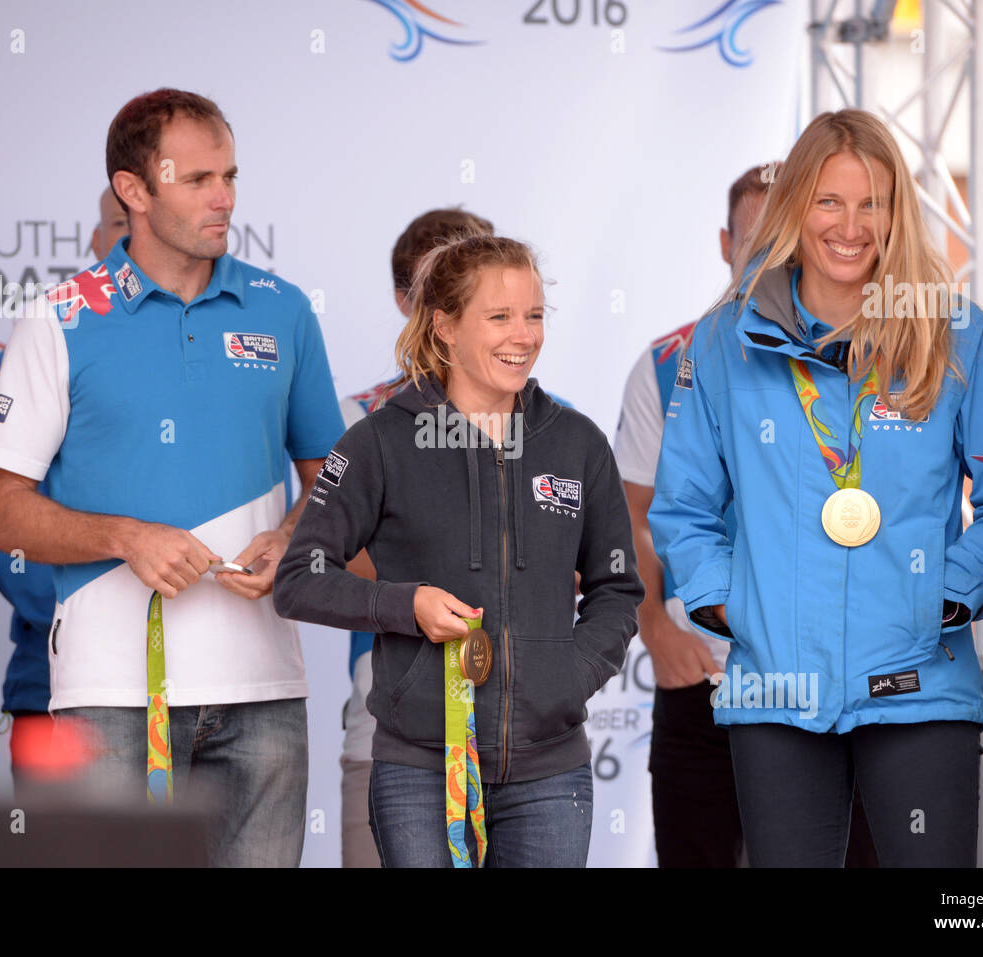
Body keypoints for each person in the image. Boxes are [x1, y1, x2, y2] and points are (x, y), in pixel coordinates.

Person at [649, 108, 983, 867]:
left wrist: (946, 593)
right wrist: (730, 604)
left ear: (898, 211)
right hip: (777, 693)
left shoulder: (954, 331)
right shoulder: (724, 339)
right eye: (829, 201)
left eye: (873, 202)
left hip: (918, 687)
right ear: (797, 206)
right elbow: (683, 508)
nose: (850, 225)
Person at [0, 88, 344, 866]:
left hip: (264, 689)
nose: (225, 198)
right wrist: (123, 536)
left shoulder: (283, 312)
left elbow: (333, 486)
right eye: (198, 178)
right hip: (107, 697)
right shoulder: (58, 317)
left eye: (231, 176)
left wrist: (292, 535)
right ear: (133, 190)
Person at [275, 234, 644, 868]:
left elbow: (617, 589)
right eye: (498, 317)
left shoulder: (576, 442)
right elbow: (299, 578)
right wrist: (403, 603)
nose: (522, 335)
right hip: (419, 767)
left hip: (549, 774)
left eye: (533, 315)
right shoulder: (379, 441)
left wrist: (569, 675)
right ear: (444, 326)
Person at [619, 163, 878, 867]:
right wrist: (652, 628)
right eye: (750, 240)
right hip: (705, 678)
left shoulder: (864, 353)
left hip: (832, 679)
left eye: (781, 239)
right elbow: (632, 512)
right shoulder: (666, 361)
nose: (765, 257)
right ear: (723, 241)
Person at [336, 206, 493, 868]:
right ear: (405, 300)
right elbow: (336, 556)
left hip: (523, 729)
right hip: (386, 722)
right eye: (437, 290)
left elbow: (576, 564)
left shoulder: (553, 423)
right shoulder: (361, 418)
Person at [0, 187, 130, 786]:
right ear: (96, 242)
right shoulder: (44, 338)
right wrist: (69, 602)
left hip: (204, 681)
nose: (128, 239)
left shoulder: (225, 347)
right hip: (51, 679)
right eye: (118, 224)